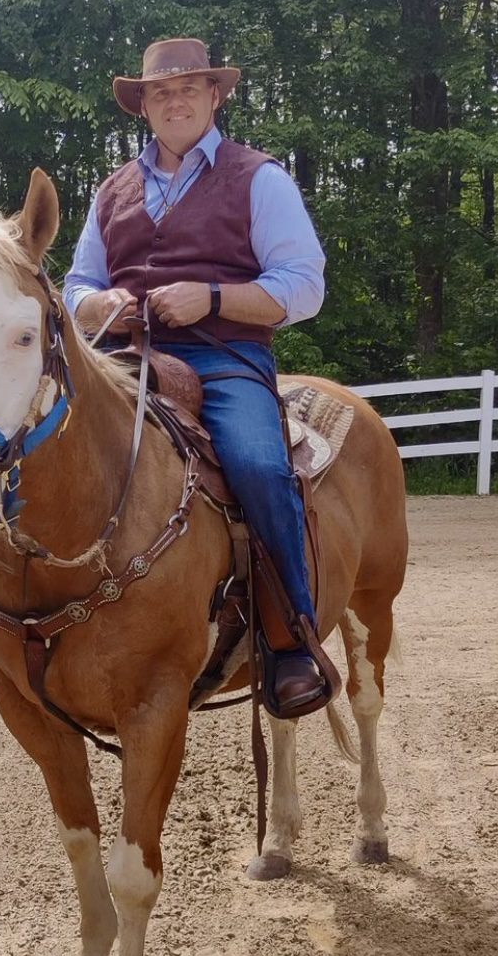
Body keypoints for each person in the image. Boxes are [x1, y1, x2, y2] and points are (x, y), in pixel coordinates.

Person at [62, 37, 331, 718]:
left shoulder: (259, 178)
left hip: (224, 357)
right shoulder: (112, 191)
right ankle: (10, 613)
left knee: (258, 466)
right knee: (37, 436)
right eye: (161, 91)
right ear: (143, 106)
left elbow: (303, 286)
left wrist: (211, 297)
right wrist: (100, 304)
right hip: (122, 355)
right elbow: (75, 288)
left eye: (188, 88)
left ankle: (290, 640)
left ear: (214, 96)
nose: (174, 101)